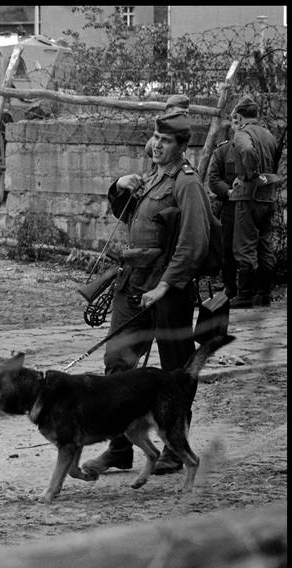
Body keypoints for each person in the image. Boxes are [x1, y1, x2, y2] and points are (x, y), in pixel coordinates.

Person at [82, 112, 211, 478]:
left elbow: (194, 242)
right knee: (117, 365)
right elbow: (131, 219)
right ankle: (120, 448)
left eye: (166, 140)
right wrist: (120, 187)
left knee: (175, 375)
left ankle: (174, 448)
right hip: (133, 286)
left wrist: (165, 286)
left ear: (183, 146)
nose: (157, 145)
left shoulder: (187, 184)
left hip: (168, 290)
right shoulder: (151, 176)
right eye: (155, 137)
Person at [226, 96, 278, 308]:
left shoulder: (242, 133)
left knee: (244, 246)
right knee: (265, 245)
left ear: (239, 115)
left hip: (248, 196)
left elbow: (247, 150)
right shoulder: (269, 135)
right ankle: (264, 293)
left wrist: (252, 174)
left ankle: (245, 295)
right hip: (268, 196)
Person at [207, 126, 238, 298]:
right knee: (228, 248)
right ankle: (230, 288)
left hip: (253, 205)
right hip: (231, 205)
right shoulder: (223, 151)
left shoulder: (259, 147)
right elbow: (213, 178)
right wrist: (228, 192)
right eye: (235, 121)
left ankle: (255, 290)